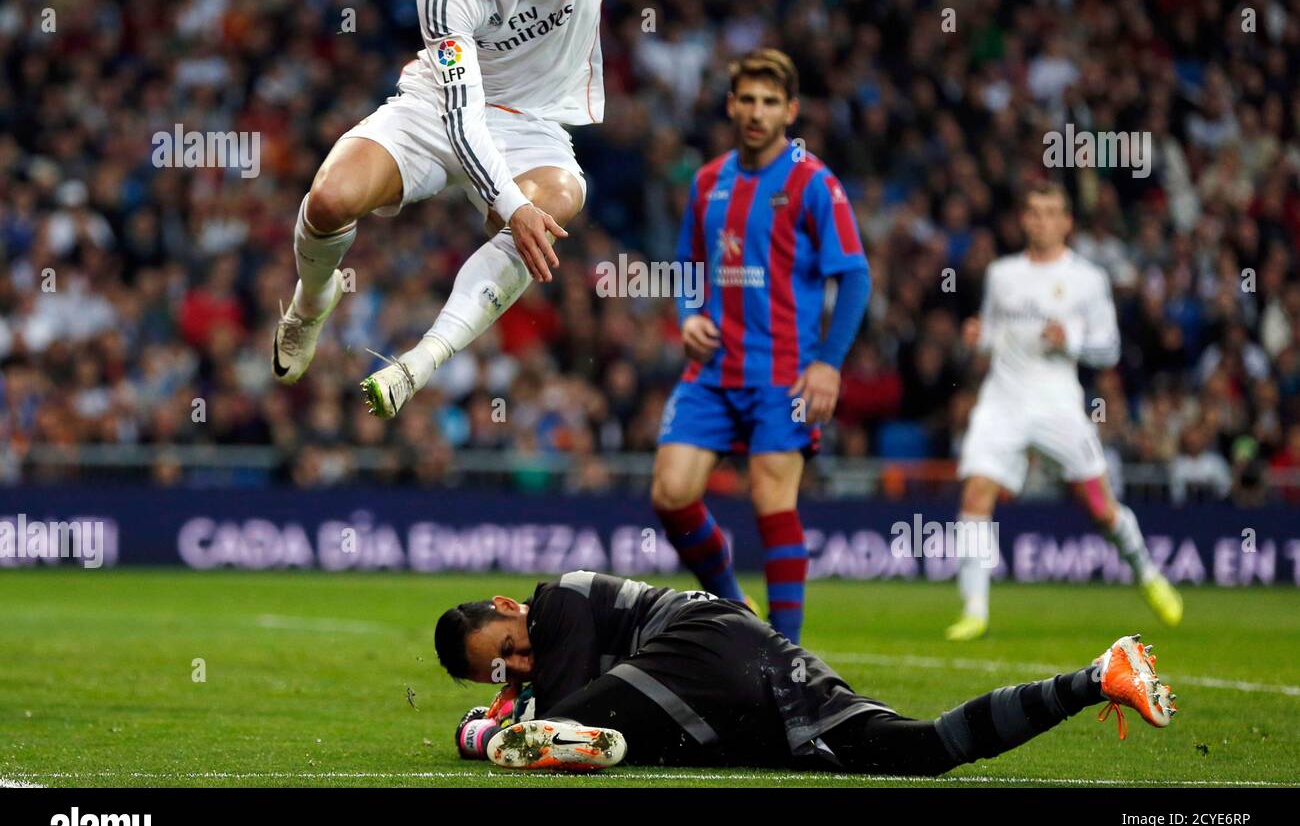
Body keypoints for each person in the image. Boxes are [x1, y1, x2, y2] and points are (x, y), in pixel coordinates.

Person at [271, 0, 647, 419]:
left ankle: (418, 364)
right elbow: (461, 112)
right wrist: (508, 204)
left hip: (531, 122)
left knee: (559, 199)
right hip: (440, 107)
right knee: (329, 201)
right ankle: (311, 301)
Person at [435, 571, 1176, 772]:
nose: (519, 662)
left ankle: (488, 741)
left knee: (553, 731)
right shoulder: (548, 649)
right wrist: (521, 712)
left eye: (508, 646)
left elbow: (561, 711)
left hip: (702, 642)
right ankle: (1094, 678)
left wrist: (487, 727)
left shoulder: (558, 598)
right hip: (755, 667)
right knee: (916, 752)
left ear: (508, 605)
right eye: (502, 672)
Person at [650, 49, 871, 643]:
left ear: (790, 110)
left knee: (773, 500)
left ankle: (788, 655)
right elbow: (689, 262)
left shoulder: (813, 181)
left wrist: (828, 364)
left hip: (785, 374)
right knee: (670, 493)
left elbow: (853, 275)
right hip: (713, 370)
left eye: (770, 102)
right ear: (730, 105)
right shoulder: (707, 181)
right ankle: (733, 604)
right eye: (746, 99)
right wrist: (689, 314)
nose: (756, 112)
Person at [948, 181, 1183, 640]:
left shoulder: (1089, 279)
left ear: (1067, 222)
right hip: (1002, 401)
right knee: (976, 496)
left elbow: (1110, 348)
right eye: (1033, 212)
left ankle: (1148, 573)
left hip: (1058, 403)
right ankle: (974, 610)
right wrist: (978, 338)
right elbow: (994, 335)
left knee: (1100, 508)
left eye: (1051, 212)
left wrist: (1070, 340)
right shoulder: (1001, 274)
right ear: (1023, 219)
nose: (1041, 221)